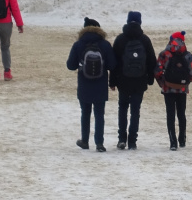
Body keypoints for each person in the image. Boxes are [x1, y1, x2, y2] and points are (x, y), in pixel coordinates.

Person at [67, 17, 116, 152]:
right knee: (99, 114)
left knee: (85, 113)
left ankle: (84, 141)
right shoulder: (105, 44)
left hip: (84, 84)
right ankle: (99, 143)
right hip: (100, 85)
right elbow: (112, 65)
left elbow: (70, 65)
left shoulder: (78, 44)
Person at [109, 11, 157, 150]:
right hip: (139, 81)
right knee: (135, 110)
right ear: (140, 22)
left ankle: (121, 139)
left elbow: (114, 63)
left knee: (122, 108)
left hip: (123, 81)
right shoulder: (145, 40)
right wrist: (150, 79)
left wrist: (112, 82)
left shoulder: (120, 39)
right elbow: (151, 61)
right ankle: (132, 141)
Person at [154, 31, 192, 151]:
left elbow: (157, 71)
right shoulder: (187, 55)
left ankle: (173, 142)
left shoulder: (164, 54)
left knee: (170, 114)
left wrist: (163, 83)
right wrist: (185, 83)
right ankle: (182, 139)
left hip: (168, 89)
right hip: (182, 89)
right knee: (181, 114)